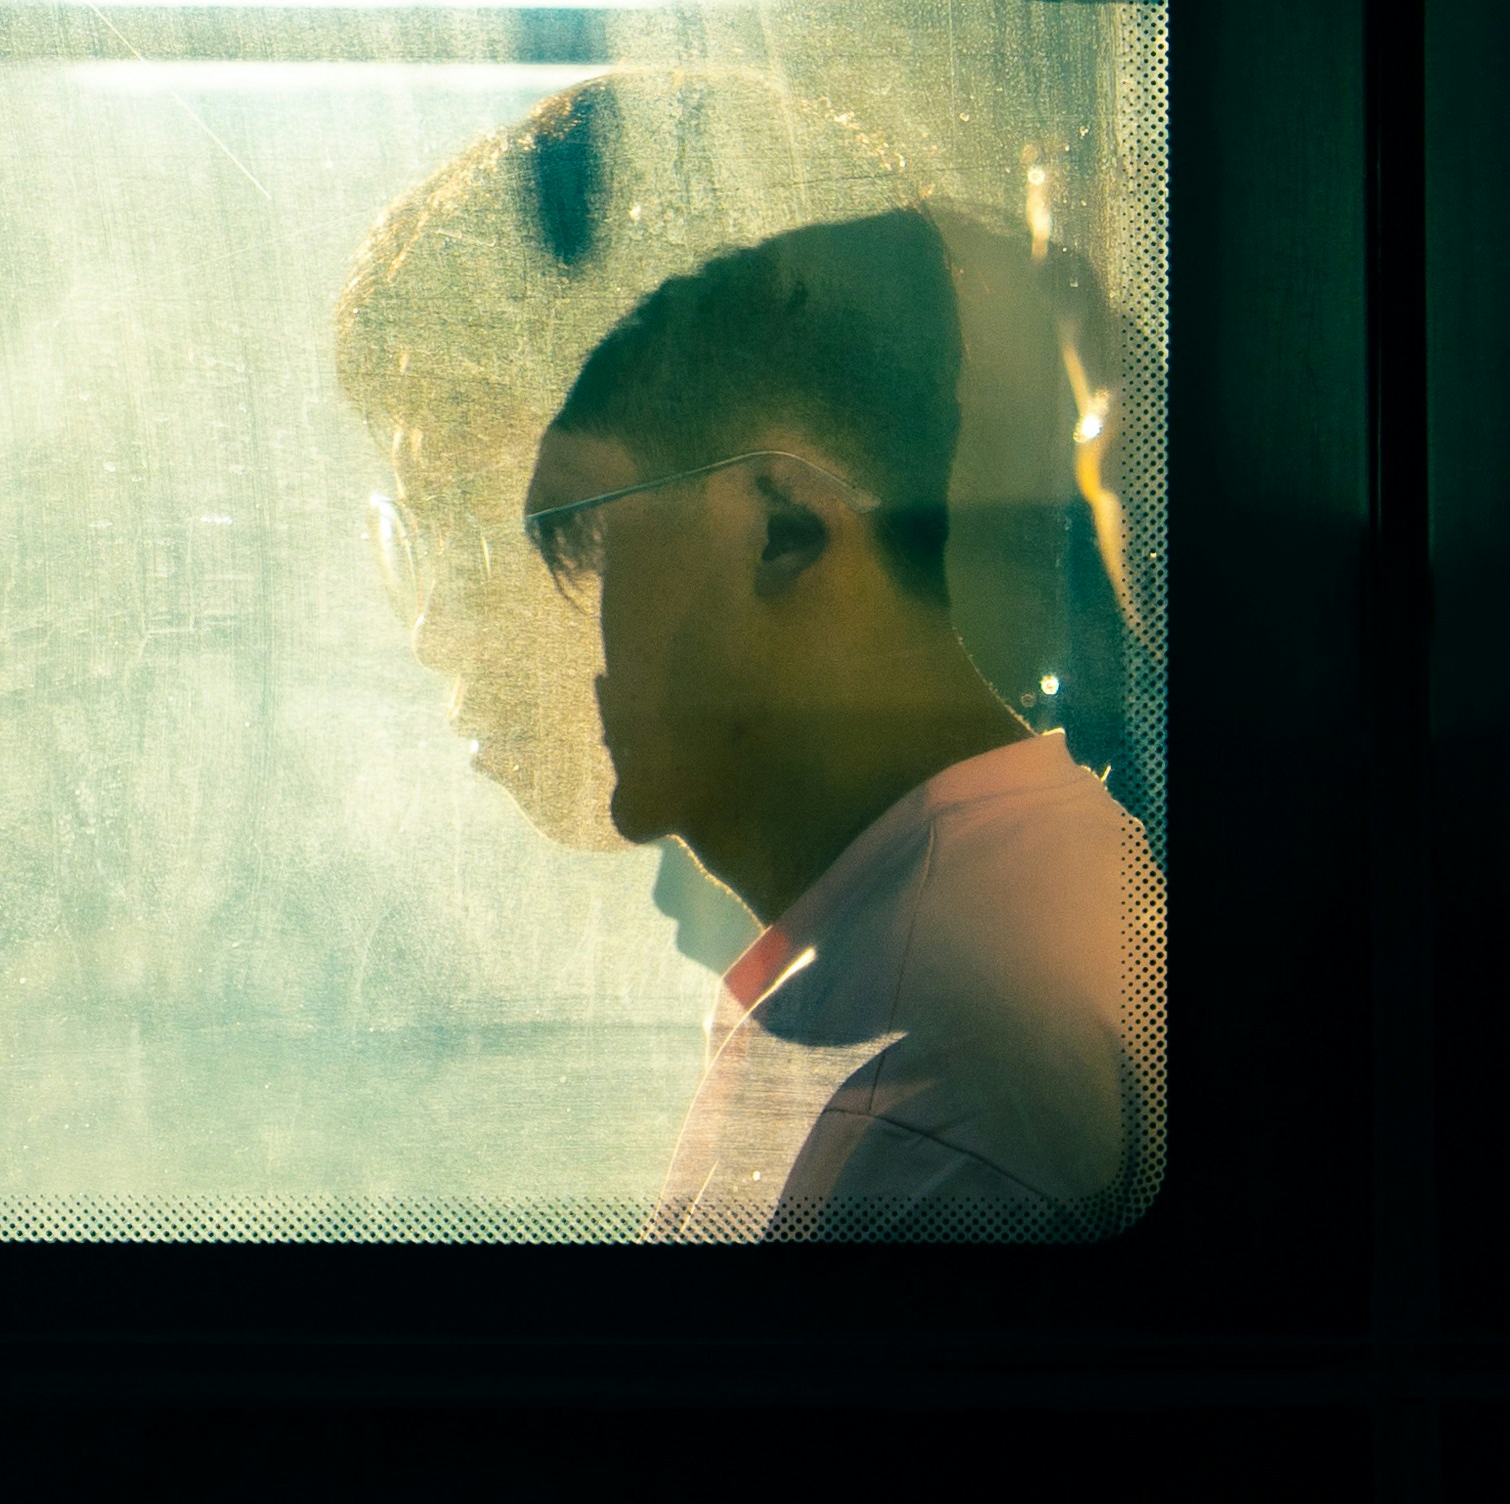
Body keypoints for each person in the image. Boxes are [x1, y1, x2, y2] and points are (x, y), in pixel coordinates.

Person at [333, 71, 1133, 972]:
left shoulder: (981, 993)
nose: (437, 631)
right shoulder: (858, 924)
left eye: (486, 534)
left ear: (777, 524)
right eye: (409, 540)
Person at [525, 213, 1164, 1242]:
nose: (583, 648)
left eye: (606, 546)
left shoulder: (936, 1087)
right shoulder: (911, 941)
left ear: (786, 530)